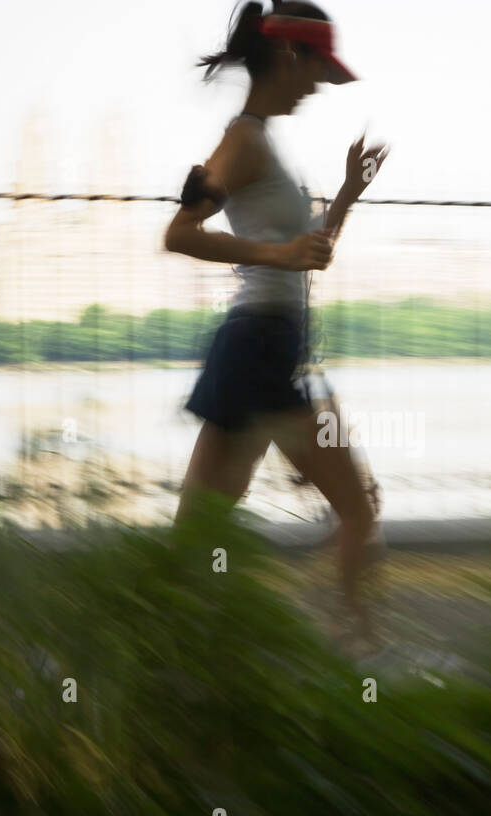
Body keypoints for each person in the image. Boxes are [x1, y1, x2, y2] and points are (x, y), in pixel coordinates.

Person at [165, 1, 389, 651]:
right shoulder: (242, 142)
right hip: (259, 350)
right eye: (319, 70)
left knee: (194, 540)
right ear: (290, 56)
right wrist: (278, 255)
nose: (321, 86)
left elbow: (303, 252)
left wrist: (346, 196)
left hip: (267, 349)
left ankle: (164, 666)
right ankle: (361, 658)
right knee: (356, 511)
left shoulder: (265, 143)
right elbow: (180, 234)